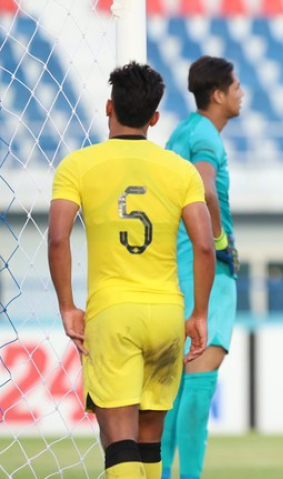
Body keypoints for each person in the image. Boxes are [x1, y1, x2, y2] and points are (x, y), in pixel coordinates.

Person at [48, 61, 215, 479]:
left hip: (113, 314)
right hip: (166, 315)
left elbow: (57, 238)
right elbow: (204, 245)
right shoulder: (181, 170)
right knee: (149, 441)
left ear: (109, 107)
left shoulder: (78, 165)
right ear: (154, 118)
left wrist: (68, 306)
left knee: (118, 440)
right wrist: (199, 313)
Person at [161, 55, 243, 479]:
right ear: (218, 94)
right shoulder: (207, 135)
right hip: (204, 268)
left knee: (176, 387)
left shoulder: (182, 132)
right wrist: (219, 241)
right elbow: (207, 188)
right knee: (199, 378)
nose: (241, 93)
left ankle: (160, 473)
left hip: (175, 265)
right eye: (236, 86)